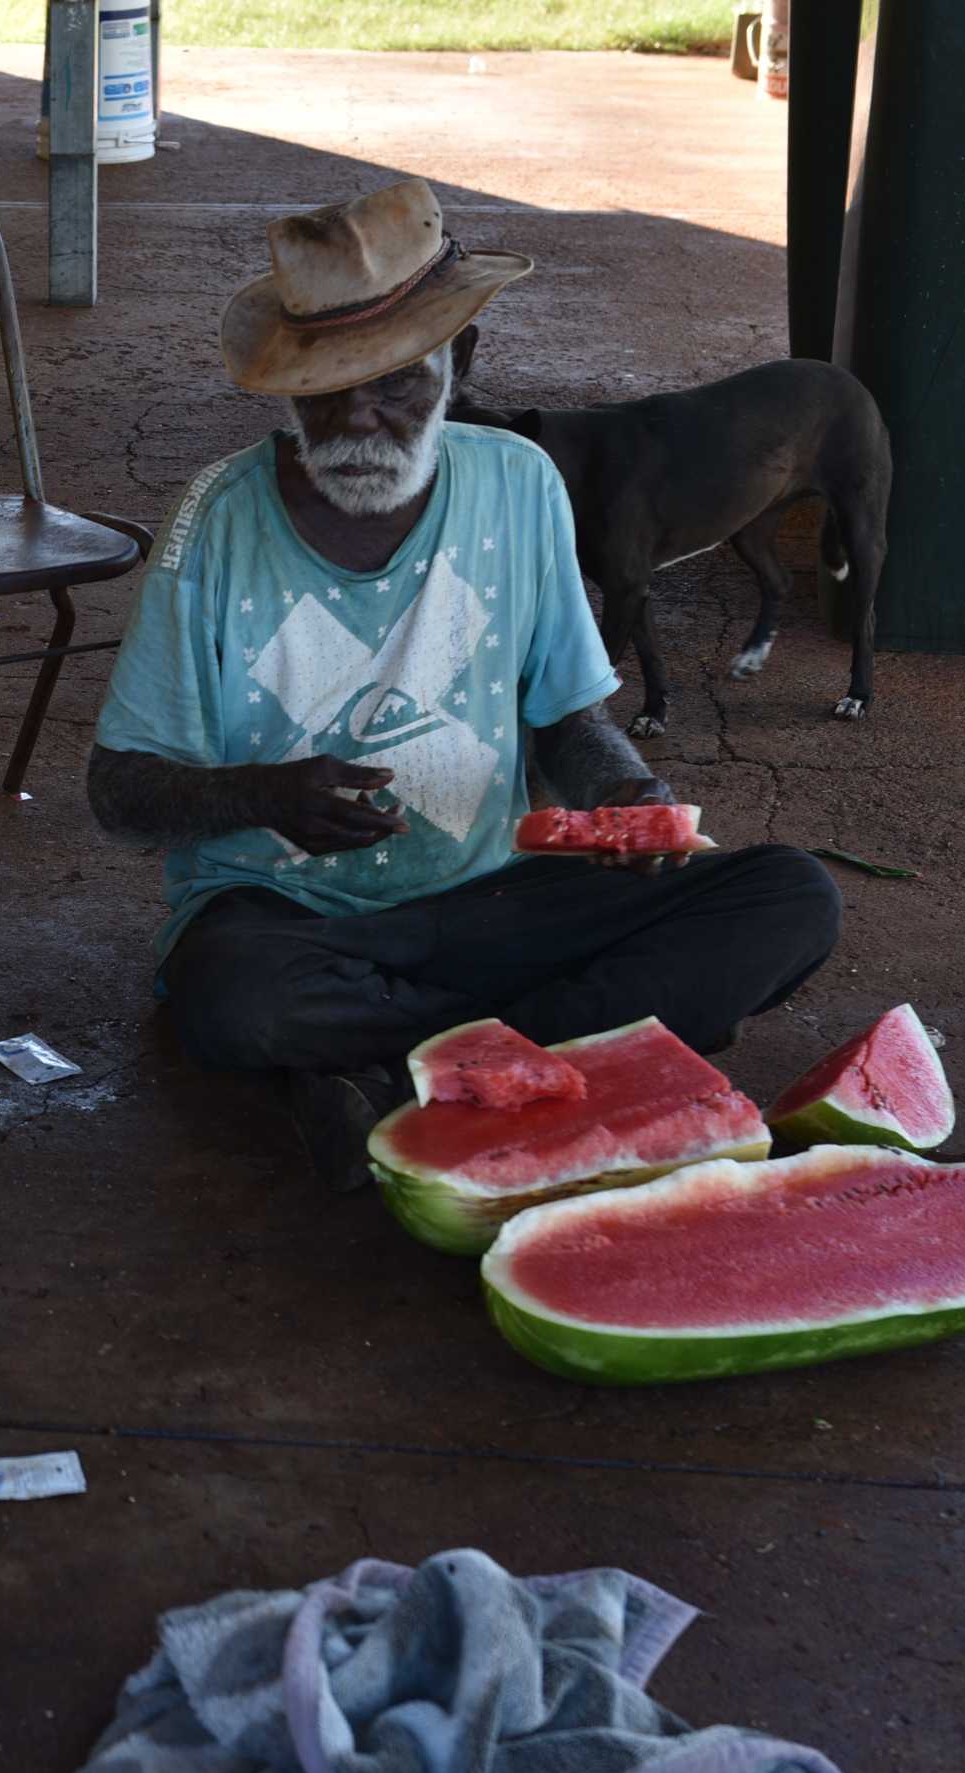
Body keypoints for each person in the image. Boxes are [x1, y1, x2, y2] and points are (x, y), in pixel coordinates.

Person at [86, 181, 842, 1189]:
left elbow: (570, 720)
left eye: (396, 380)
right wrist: (267, 797)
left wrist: (620, 793)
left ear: (462, 363)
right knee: (233, 996)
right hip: (290, 917)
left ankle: (382, 1069)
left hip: (495, 900)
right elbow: (118, 788)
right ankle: (559, 1040)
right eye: (326, 383)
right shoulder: (214, 522)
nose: (359, 414)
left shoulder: (519, 483)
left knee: (792, 896)